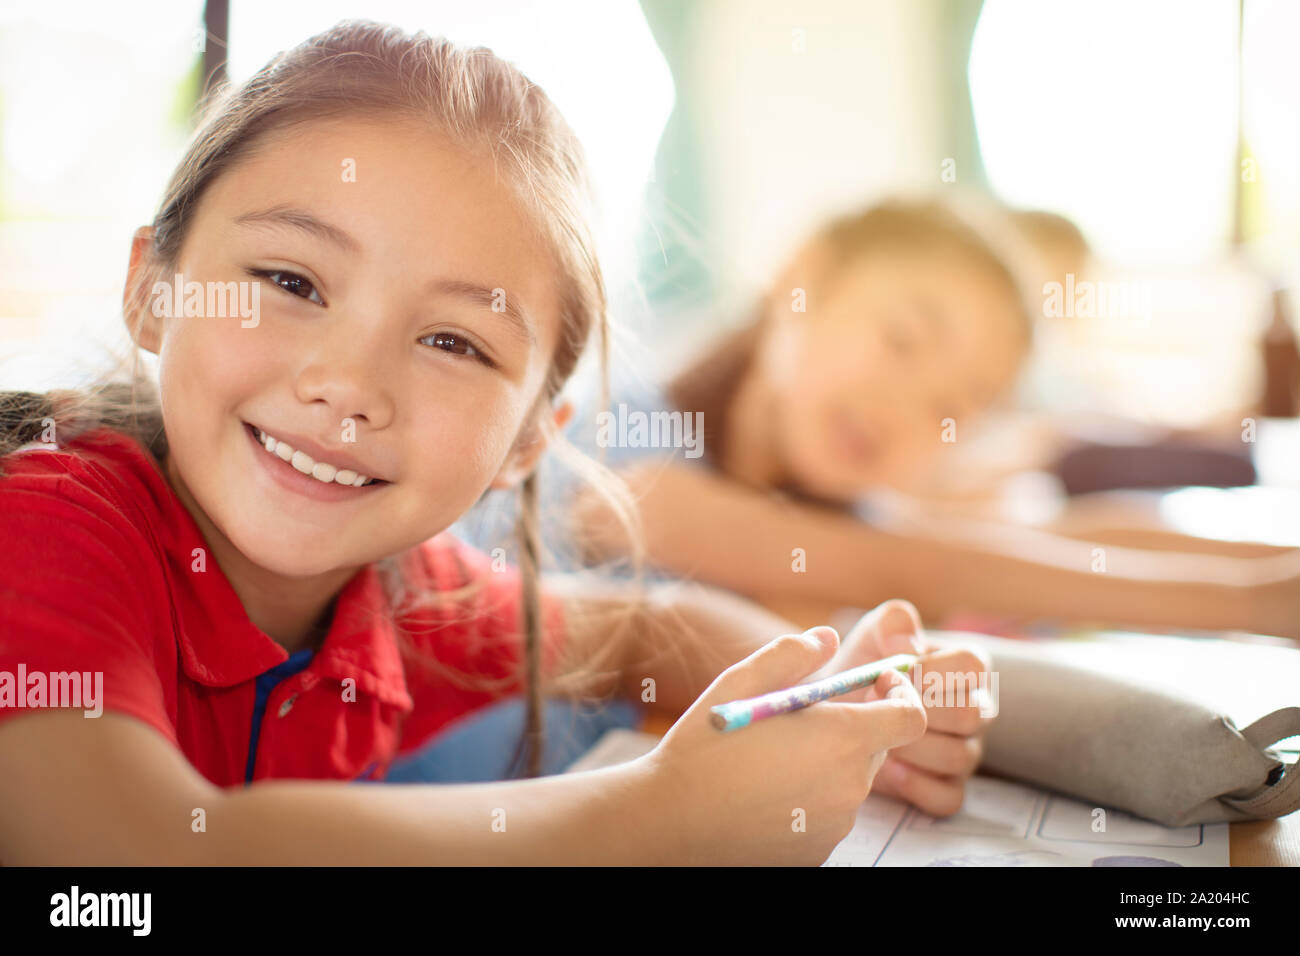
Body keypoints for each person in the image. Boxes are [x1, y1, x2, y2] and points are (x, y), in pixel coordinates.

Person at [0, 22, 989, 865]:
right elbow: (124, 859)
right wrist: (660, 813)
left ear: (526, 440)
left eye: (451, 341)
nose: (348, 382)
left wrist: (832, 703)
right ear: (151, 288)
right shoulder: (51, 526)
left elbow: (646, 630)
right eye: (291, 281)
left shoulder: (401, 595)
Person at [572, 199, 1300, 638]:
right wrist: (1250, 601)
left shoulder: (825, 504)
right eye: (902, 339)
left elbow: (1033, 542)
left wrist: (1272, 571)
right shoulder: (625, 430)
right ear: (803, 277)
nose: (904, 410)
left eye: (952, 409)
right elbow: (932, 564)